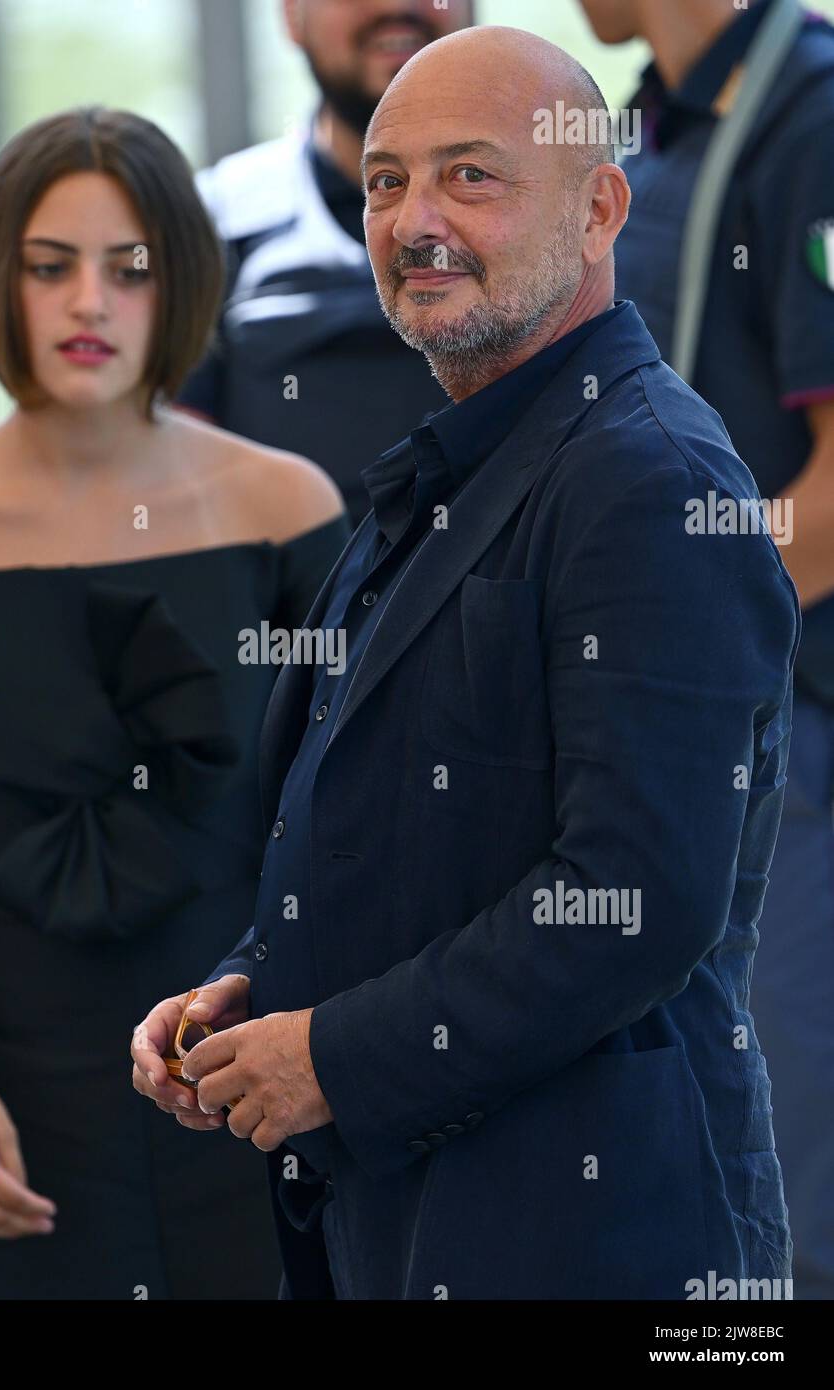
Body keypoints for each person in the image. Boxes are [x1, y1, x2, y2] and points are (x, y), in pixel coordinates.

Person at [132, 26, 801, 1300]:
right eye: (385, 182)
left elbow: (634, 898)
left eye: (470, 176)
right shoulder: (465, 459)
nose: (413, 219)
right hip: (402, 1220)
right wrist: (249, 993)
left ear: (600, 204)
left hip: (604, 1234)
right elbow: (403, 835)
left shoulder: (650, 479)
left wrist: (331, 1056)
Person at [0, 106, 350, 1300]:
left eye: (128, 270)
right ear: (0, 279)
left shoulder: (290, 511)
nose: (88, 303)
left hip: (238, 1087)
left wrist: (324, 1055)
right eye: (51, 267)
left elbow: (348, 815)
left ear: (183, 286)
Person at [578, 0, 834, 1301]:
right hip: (693, 737)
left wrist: (668, 661)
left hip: (784, 729)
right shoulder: (658, 124)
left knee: (795, 1188)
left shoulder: (816, 113)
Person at [176, 0, 475, 525]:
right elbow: (163, 487)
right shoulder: (213, 223)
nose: (397, 6)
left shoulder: (562, 214)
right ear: (292, 16)